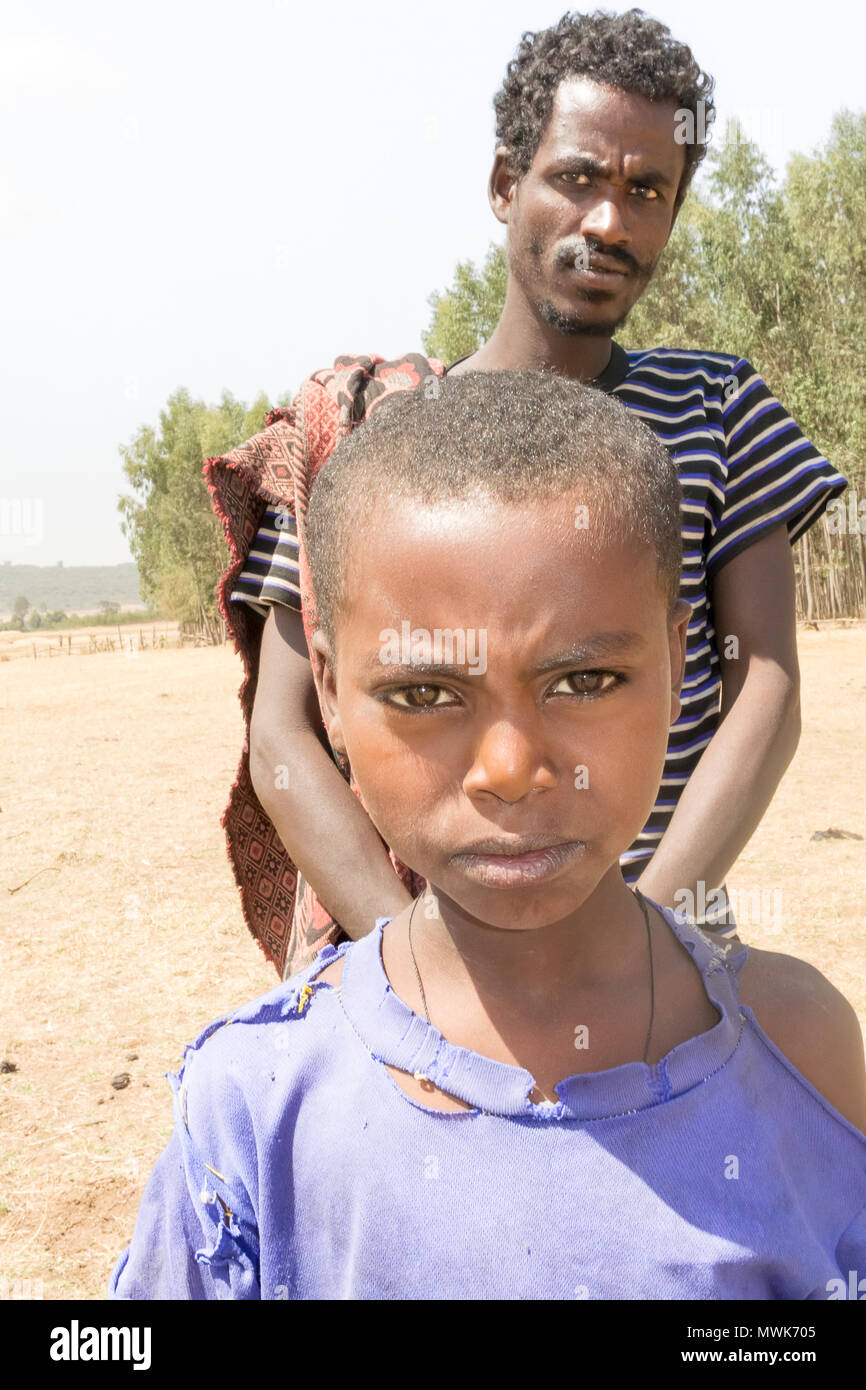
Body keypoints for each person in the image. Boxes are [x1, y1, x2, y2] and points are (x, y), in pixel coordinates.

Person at [113, 373, 866, 1300]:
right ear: (333, 692)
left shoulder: (797, 1055)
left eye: (583, 680)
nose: (509, 768)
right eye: (426, 695)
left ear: (675, 663)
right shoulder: (258, 1107)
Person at [206, 9, 846, 978]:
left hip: (660, 967)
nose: (608, 221)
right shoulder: (363, 424)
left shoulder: (718, 413)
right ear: (506, 184)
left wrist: (647, 944)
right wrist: (416, 975)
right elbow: (282, 733)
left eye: (647, 191)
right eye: (577, 178)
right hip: (413, 965)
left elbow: (766, 683)